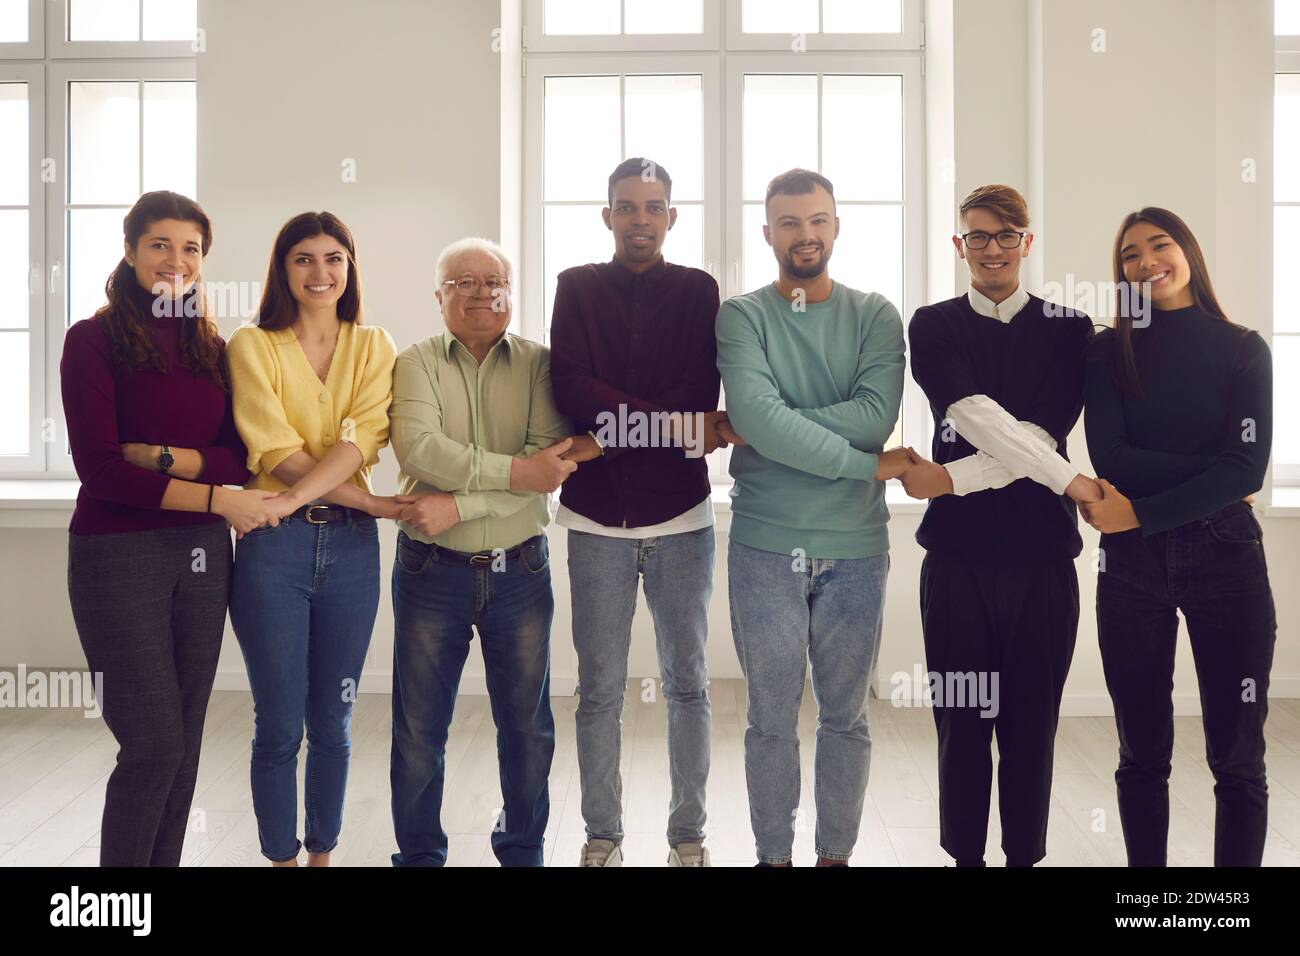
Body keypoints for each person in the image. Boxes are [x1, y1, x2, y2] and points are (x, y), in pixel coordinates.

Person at [61, 190, 278, 866]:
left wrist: (164, 457)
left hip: (202, 557)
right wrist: (215, 497)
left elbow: (238, 456)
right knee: (152, 742)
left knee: (183, 741)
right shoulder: (90, 341)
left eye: (190, 248)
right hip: (115, 553)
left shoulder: (211, 347)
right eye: (160, 244)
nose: (175, 260)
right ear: (130, 252)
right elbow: (102, 472)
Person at [902, 184, 1098, 867]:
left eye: (1005, 236)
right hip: (956, 560)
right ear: (960, 245)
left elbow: (1042, 435)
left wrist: (950, 477)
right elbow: (972, 414)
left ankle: (1023, 859)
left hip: (1044, 559)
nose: (992, 249)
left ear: (1027, 243)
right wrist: (1060, 473)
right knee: (960, 724)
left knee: (1030, 727)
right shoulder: (931, 324)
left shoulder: (1072, 329)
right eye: (978, 237)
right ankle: (966, 858)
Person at [715, 168, 905, 866]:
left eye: (817, 220)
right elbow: (849, 436)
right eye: (790, 222)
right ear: (768, 233)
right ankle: (773, 856)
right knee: (769, 719)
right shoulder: (742, 315)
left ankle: (834, 856)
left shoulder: (876, 315)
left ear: (836, 226)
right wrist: (861, 462)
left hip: (856, 547)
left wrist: (772, 426)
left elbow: (875, 416)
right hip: (765, 543)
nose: (805, 234)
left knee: (846, 717)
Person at [549, 158, 727, 868]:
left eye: (654, 207)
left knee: (688, 683)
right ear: (608, 216)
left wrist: (605, 438)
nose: (641, 219)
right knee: (598, 690)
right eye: (628, 207)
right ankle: (603, 835)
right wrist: (674, 428)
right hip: (595, 525)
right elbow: (571, 386)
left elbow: (699, 390)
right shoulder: (576, 286)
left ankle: (688, 836)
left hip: (682, 519)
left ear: (672, 217)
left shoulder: (698, 291)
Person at [1083, 206, 1274, 867]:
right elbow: (1112, 457)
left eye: (1158, 245)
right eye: (1129, 254)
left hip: (1228, 559)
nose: (1145, 261)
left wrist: (1142, 512)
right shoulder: (1107, 351)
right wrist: (1220, 472)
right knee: (1142, 752)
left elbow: (1250, 465)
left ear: (1187, 251)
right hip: (1130, 568)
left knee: (1239, 755)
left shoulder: (1245, 348)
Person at [388, 237, 577, 867]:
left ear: (510, 293)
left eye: (493, 280)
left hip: (520, 569)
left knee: (526, 727)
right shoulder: (413, 362)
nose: (481, 292)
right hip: (428, 568)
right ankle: (419, 856)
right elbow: (419, 452)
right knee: (419, 730)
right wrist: (515, 474)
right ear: (439, 296)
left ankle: (522, 848)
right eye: (463, 282)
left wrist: (463, 504)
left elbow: (548, 470)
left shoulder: (541, 364)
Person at [226, 211, 401, 866]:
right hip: (275, 551)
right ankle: (280, 858)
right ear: (283, 268)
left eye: (334, 258)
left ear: (349, 268)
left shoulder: (374, 345)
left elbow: (361, 440)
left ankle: (322, 855)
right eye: (304, 258)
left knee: (333, 723)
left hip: (351, 550)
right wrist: (369, 501)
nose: (320, 272)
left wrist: (296, 494)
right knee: (278, 725)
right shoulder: (252, 346)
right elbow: (273, 446)